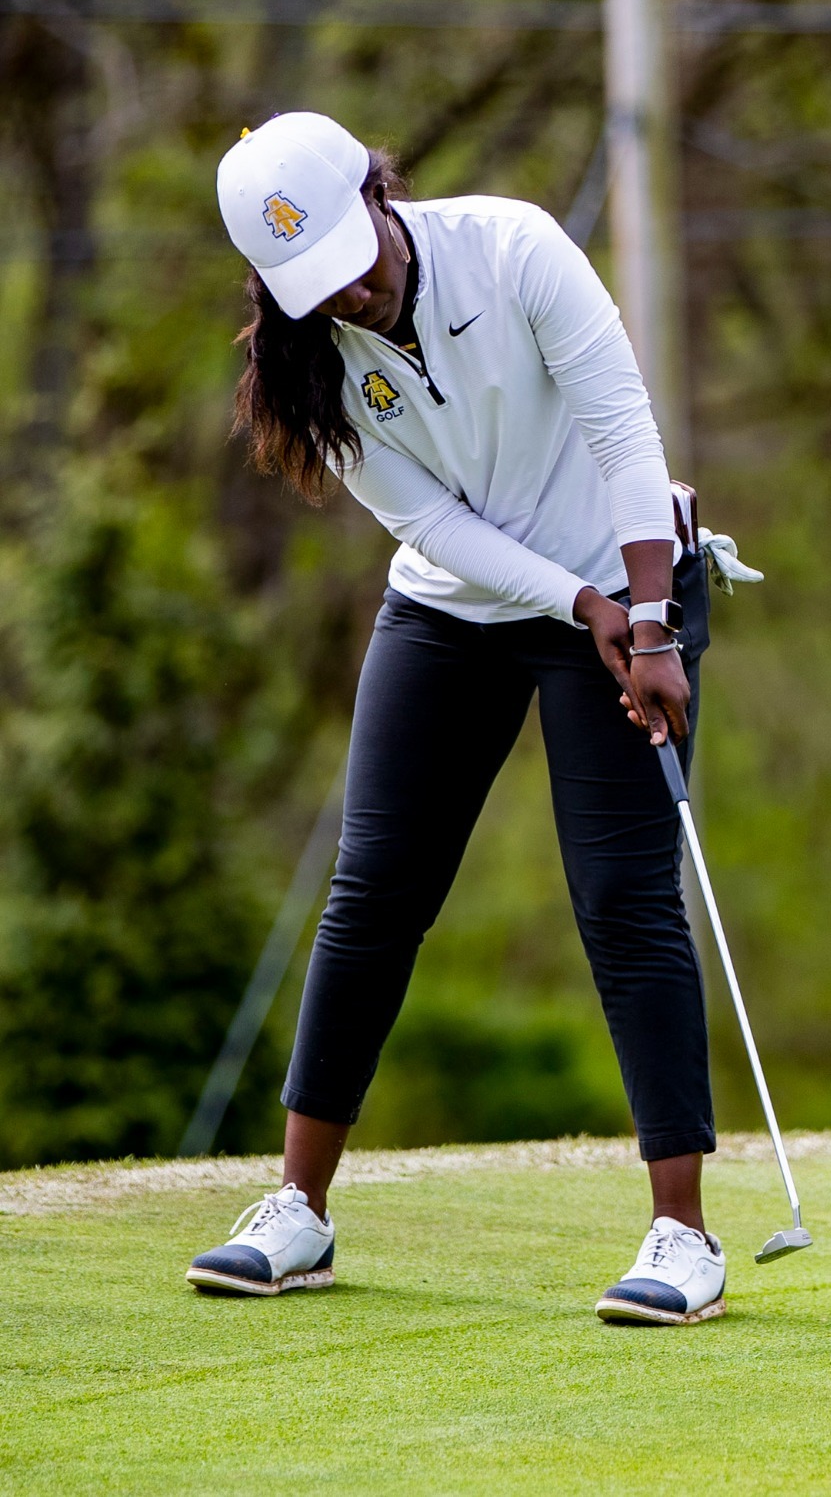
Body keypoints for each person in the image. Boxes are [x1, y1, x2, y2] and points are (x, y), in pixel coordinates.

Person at [186, 111, 727, 1325]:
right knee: (373, 891)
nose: (359, 293)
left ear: (381, 194)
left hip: (629, 572)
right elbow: (434, 529)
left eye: (360, 257)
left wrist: (642, 618)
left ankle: (682, 1237)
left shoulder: (515, 249)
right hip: (461, 600)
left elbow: (621, 431)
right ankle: (298, 1212)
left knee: (621, 895)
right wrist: (573, 601)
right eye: (321, 285)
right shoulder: (311, 357)